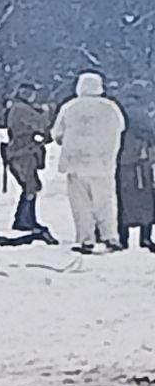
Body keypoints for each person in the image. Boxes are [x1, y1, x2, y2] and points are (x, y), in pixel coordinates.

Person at [52, 71, 126, 255]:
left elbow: (57, 134)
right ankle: (110, 237)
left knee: (80, 204)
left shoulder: (70, 107)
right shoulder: (111, 108)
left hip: (75, 164)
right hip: (102, 164)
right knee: (105, 201)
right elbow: (121, 128)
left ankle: (85, 239)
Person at [4, 83, 54, 237]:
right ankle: (24, 220)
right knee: (30, 186)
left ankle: (26, 219)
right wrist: (47, 112)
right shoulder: (21, 109)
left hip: (24, 153)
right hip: (22, 153)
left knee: (31, 186)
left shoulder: (20, 108)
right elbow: (40, 123)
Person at [116, 102, 155, 253]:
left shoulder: (121, 125)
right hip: (140, 170)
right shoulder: (145, 128)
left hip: (125, 170)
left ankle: (123, 238)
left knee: (123, 204)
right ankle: (144, 238)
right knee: (146, 205)